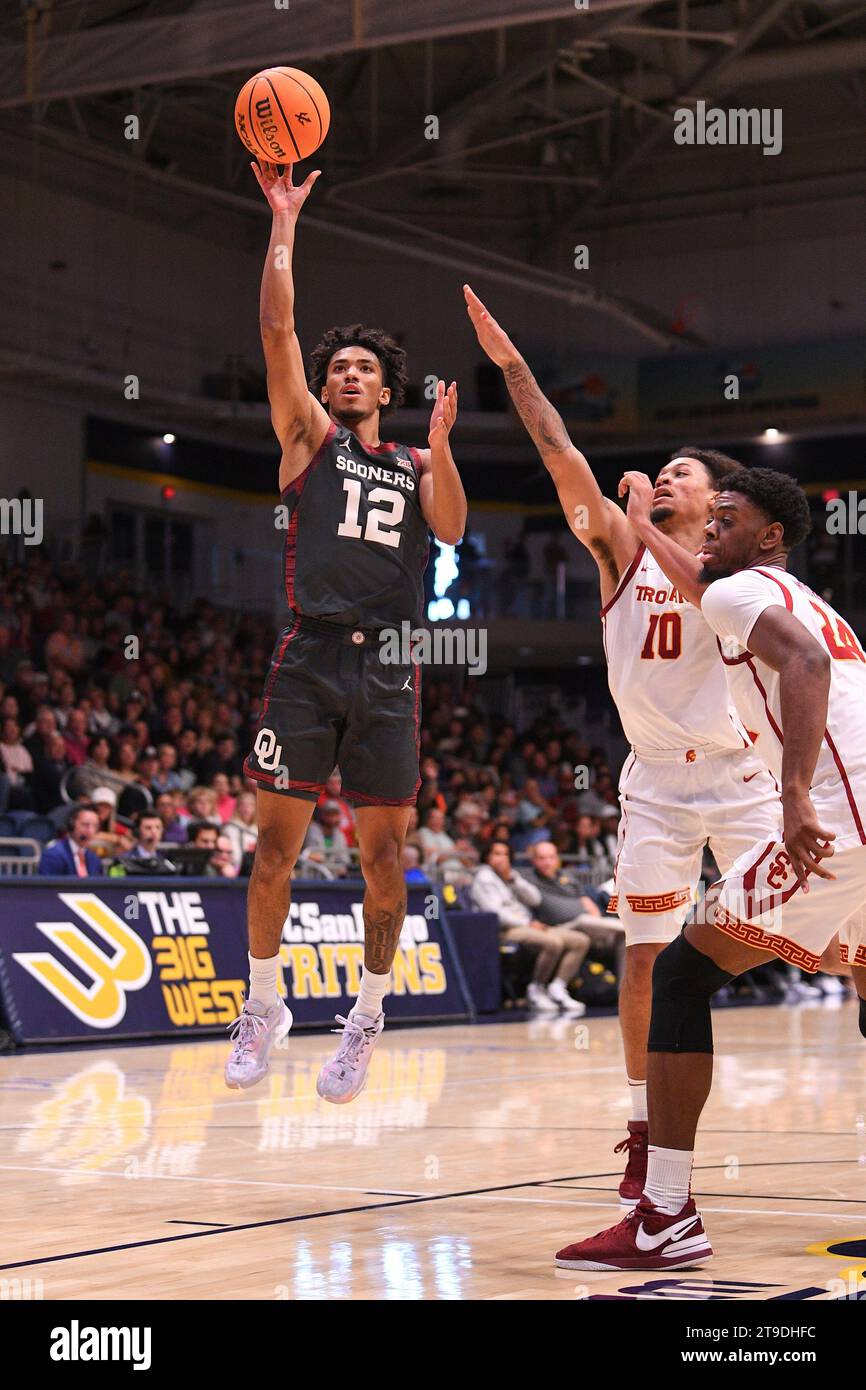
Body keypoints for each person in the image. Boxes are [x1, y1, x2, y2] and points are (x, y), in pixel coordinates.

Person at [465, 283, 783, 1204]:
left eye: (685, 472)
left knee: (819, 935)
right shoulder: (619, 546)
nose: (666, 475)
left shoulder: (744, 571)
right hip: (652, 784)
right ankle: (646, 1130)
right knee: (644, 951)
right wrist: (513, 367)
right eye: (666, 469)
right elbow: (559, 449)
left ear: (716, 504)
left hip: (744, 777)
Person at [556, 466, 866, 1269]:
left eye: (726, 520)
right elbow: (695, 579)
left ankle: (664, 1214)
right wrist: (638, 520)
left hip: (837, 823)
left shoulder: (742, 595)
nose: (710, 532)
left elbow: (805, 667)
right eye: (710, 518)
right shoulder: (799, 599)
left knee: (682, 978)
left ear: (770, 538)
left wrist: (795, 796)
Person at [223, 157, 466, 1099]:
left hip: (394, 668)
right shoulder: (308, 441)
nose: (348, 374)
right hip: (310, 657)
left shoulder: (414, 462)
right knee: (273, 848)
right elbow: (277, 327)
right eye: (338, 368)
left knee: (383, 858)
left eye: (364, 366)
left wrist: (442, 449)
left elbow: (449, 528)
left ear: (387, 387)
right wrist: (283, 221)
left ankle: (365, 1017)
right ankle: (262, 1004)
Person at [471, 842, 588, 1015]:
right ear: (487, 857)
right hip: (504, 930)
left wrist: (513, 878)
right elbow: (495, 913)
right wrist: (527, 924)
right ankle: (537, 988)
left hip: (529, 925)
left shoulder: (510, 876)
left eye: (505, 854)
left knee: (579, 940)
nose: (501, 858)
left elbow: (535, 899)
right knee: (553, 943)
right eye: (496, 854)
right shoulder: (484, 878)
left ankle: (558, 987)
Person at [524, 840, 625, 979]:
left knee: (623, 938)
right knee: (585, 920)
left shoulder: (567, 876)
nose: (547, 862)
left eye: (551, 857)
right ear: (534, 860)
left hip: (591, 925)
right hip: (562, 927)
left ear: (557, 859)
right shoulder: (529, 881)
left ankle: (622, 993)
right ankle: (626, 927)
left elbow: (586, 900)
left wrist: (596, 919)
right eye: (542, 858)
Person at [39, 805, 103, 877]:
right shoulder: (53, 855)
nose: (91, 831)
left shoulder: (94, 858)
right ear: (71, 825)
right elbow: (48, 886)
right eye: (85, 825)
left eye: (95, 826)